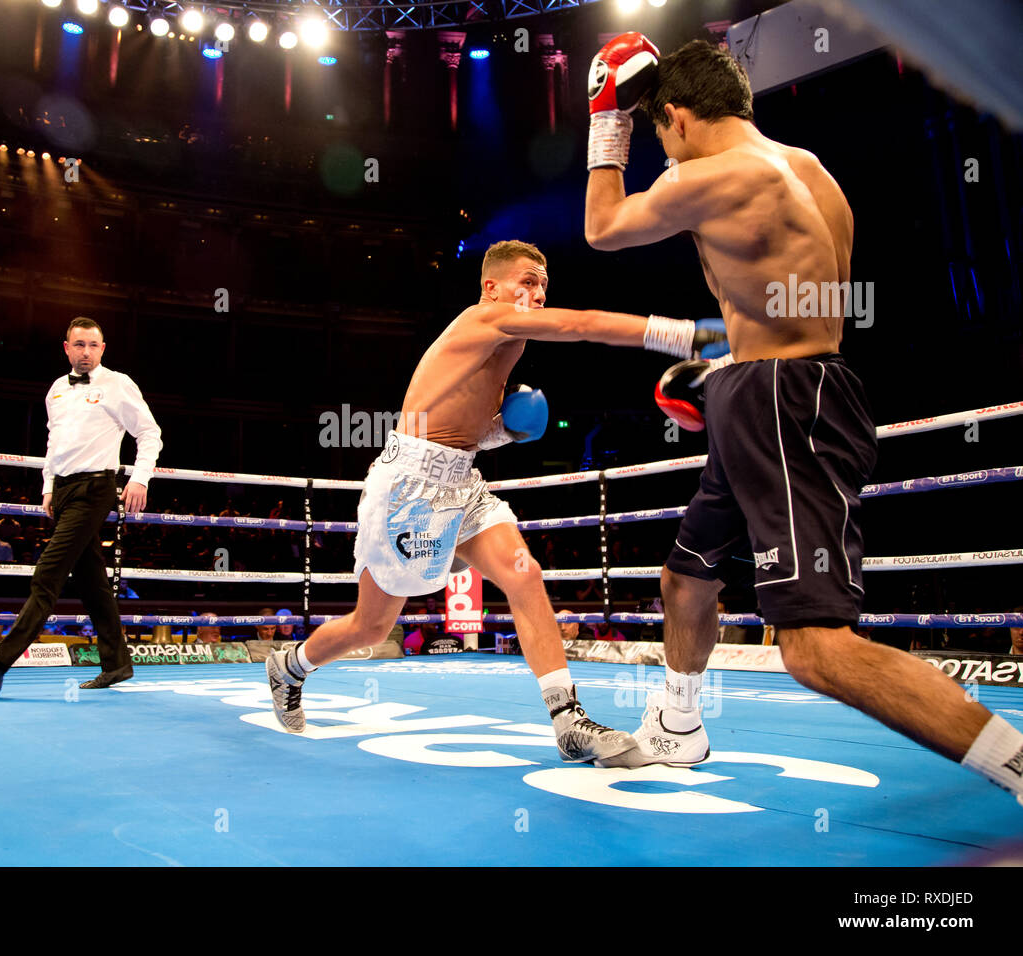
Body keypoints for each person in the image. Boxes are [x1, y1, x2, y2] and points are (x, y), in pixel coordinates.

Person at [582, 35, 1023, 802]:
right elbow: (793, 304)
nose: (663, 147)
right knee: (687, 576)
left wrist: (605, 118)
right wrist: (729, 378)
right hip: (776, 386)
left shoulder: (717, 176)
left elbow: (603, 225)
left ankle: (1015, 761)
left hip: (780, 401)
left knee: (814, 649)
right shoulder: (810, 170)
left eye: (661, 132)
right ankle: (678, 725)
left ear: (679, 119)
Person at [264, 239, 725, 762]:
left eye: (543, 285)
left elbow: (467, 430)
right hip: (410, 484)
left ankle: (566, 718)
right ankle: (291, 665)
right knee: (372, 625)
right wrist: (683, 334)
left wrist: (505, 432)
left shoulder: (510, 339)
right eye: (528, 281)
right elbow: (581, 325)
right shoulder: (485, 319)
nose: (538, 293)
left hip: (462, 478)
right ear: (492, 288)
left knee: (523, 571)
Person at [0, 316, 163, 695]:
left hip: (95, 487)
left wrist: (139, 478)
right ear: (66, 348)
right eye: (79, 344)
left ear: (102, 349)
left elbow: (150, 432)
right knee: (92, 584)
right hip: (65, 490)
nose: (86, 352)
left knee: (47, 576)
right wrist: (48, 487)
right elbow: (54, 445)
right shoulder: (56, 389)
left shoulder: (117, 384)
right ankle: (117, 664)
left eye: (93, 345)